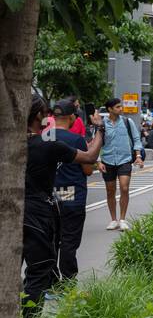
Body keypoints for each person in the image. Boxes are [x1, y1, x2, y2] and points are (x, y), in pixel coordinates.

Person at [23, 99, 103, 318]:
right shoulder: (49, 144)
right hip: (41, 213)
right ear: (40, 116)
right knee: (39, 271)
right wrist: (99, 129)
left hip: (17, 211)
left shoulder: (12, 143)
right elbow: (90, 160)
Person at [49, 100, 94, 283]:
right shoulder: (76, 139)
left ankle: (51, 280)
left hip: (50, 194)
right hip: (72, 194)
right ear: (72, 117)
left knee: (52, 239)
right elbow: (88, 170)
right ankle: (67, 282)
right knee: (69, 240)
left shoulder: (44, 137)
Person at [99, 97, 143, 230]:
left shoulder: (127, 122)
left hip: (125, 160)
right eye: (118, 107)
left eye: (120, 106)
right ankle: (113, 220)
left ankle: (123, 219)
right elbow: (96, 143)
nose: (121, 109)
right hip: (107, 161)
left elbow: (136, 139)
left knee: (124, 188)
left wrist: (138, 156)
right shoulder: (102, 125)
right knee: (110, 191)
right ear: (110, 109)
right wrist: (98, 161)